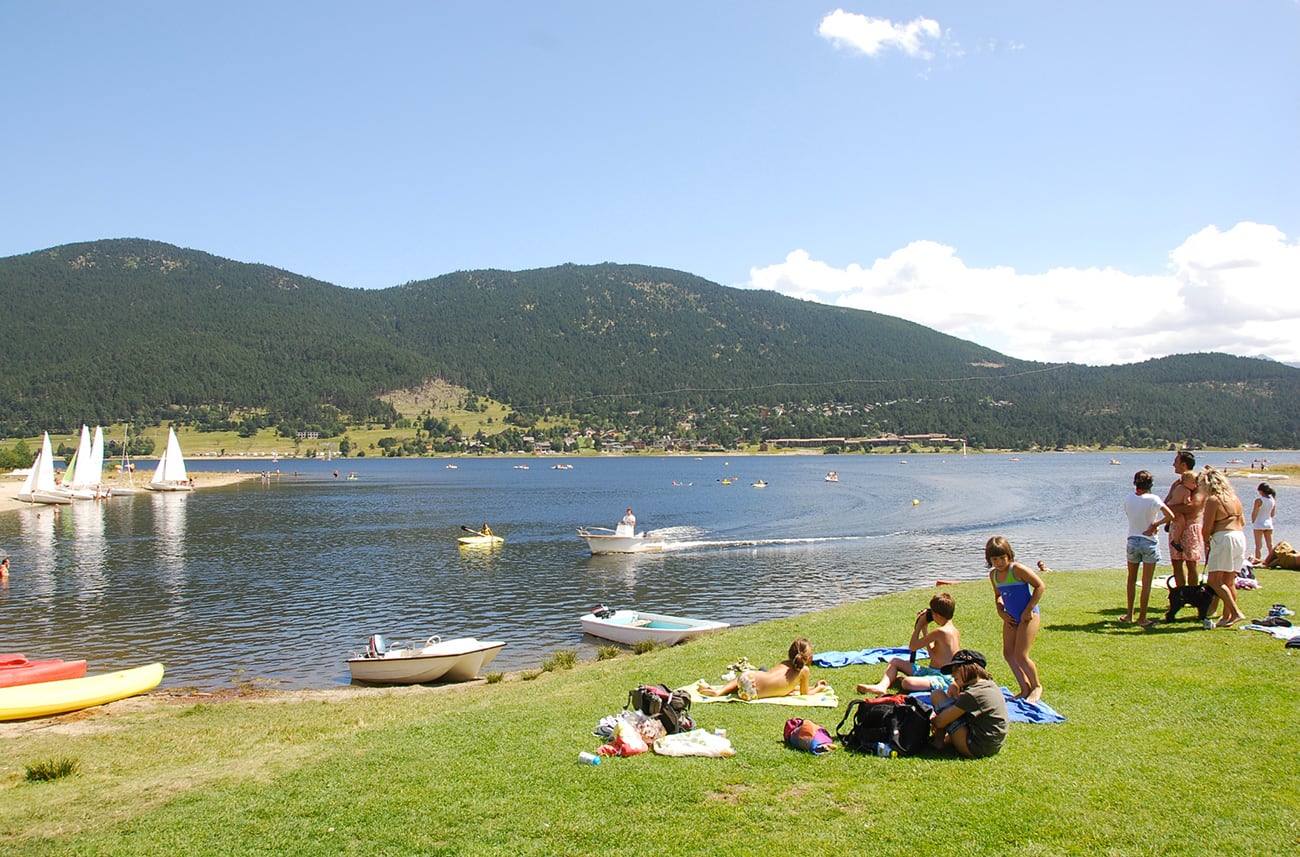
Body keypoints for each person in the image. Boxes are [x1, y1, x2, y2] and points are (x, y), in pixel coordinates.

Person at [855, 592, 959, 697]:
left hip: (942, 678)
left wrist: (918, 626)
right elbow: (934, 654)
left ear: (936, 615)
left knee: (907, 683)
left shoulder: (940, 632)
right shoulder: (953, 630)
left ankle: (898, 682)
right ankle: (882, 686)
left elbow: (913, 646)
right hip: (933, 672)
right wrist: (925, 629)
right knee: (895, 661)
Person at [985, 536, 1045, 702]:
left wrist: (1029, 610)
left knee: (1021, 655)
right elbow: (999, 596)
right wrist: (1001, 611)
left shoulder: (1017, 569)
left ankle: (1036, 686)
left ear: (1009, 555)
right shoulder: (994, 575)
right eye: (994, 559)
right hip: (1010, 618)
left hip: (1029, 617)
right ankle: (1024, 688)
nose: (999, 562)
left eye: (1002, 558)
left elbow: (1040, 586)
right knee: (1008, 653)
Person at [927, 650, 1009, 759]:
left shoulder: (972, 694)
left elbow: (941, 722)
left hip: (976, 748)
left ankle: (938, 742)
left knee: (937, 695)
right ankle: (944, 740)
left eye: (956, 670)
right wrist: (955, 685)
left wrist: (931, 720)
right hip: (991, 745)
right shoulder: (988, 685)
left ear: (971, 668)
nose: (953, 675)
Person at [1122, 470, 1175, 627]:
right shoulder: (1153, 499)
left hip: (1132, 539)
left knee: (1131, 579)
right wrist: (1155, 525)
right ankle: (1142, 617)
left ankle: (1129, 614)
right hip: (1148, 541)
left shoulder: (1129, 498)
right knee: (1146, 582)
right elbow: (1171, 515)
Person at [698, 637, 828, 700]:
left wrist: (811, 686)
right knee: (754, 686)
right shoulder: (804, 671)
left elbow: (793, 687)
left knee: (746, 679)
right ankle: (719, 691)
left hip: (747, 678)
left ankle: (719, 690)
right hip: (749, 695)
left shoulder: (784, 663)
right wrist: (818, 688)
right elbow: (805, 694)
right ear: (808, 657)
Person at [1201, 466, 1249, 628]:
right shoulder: (1235, 499)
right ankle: (1226, 616)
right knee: (1229, 581)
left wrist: (1206, 544)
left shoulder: (1214, 500)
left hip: (1224, 538)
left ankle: (1235, 612)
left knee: (1214, 580)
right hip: (1240, 537)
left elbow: (1206, 528)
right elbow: (1242, 522)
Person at [1164, 450, 1205, 588]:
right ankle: (1179, 596)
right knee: (1176, 563)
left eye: (1176, 462)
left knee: (1191, 563)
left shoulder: (1198, 484)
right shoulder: (1176, 484)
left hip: (1191, 527)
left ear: (1183, 464)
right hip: (1176, 526)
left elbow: (1193, 507)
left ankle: (1192, 595)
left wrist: (1172, 509)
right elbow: (1165, 503)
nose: (1173, 464)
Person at [1251, 482, 1276, 562]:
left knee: (1258, 545)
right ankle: (1271, 560)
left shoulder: (1258, 500)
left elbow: (1254, 513)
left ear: (1261, 491)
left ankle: (1257, 560)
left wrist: (1253, 520)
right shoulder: (1272, 499)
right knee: (1270, 545)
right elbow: (1272, 514)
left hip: (1259, 524)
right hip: (1269, 523)